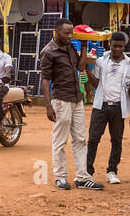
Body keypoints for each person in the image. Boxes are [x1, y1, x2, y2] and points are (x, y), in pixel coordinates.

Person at [39, 19, 102, 190]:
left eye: (71, 32)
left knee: (80, 139)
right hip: (61, 100)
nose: (69, 35)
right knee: (60, 141)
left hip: (77, 99)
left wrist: (83, 45)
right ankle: (60, 177)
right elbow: (45, 79)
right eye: (66, 33)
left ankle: (82, 177)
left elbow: (80, 67)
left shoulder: (70, 47)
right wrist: (48, 105)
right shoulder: (48, 52)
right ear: (56, 32)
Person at [84, 31, 130, 185]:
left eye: (120, 47)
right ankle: (87, 172)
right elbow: (96, 84)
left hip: (118, 108)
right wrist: (88, 70)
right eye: (114, 46)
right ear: (110, 45)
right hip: (100, 106)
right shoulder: (101, 61)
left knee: (116, 140)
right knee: (93, 139)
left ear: (124, 47)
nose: (117, 49)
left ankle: (112, 171)